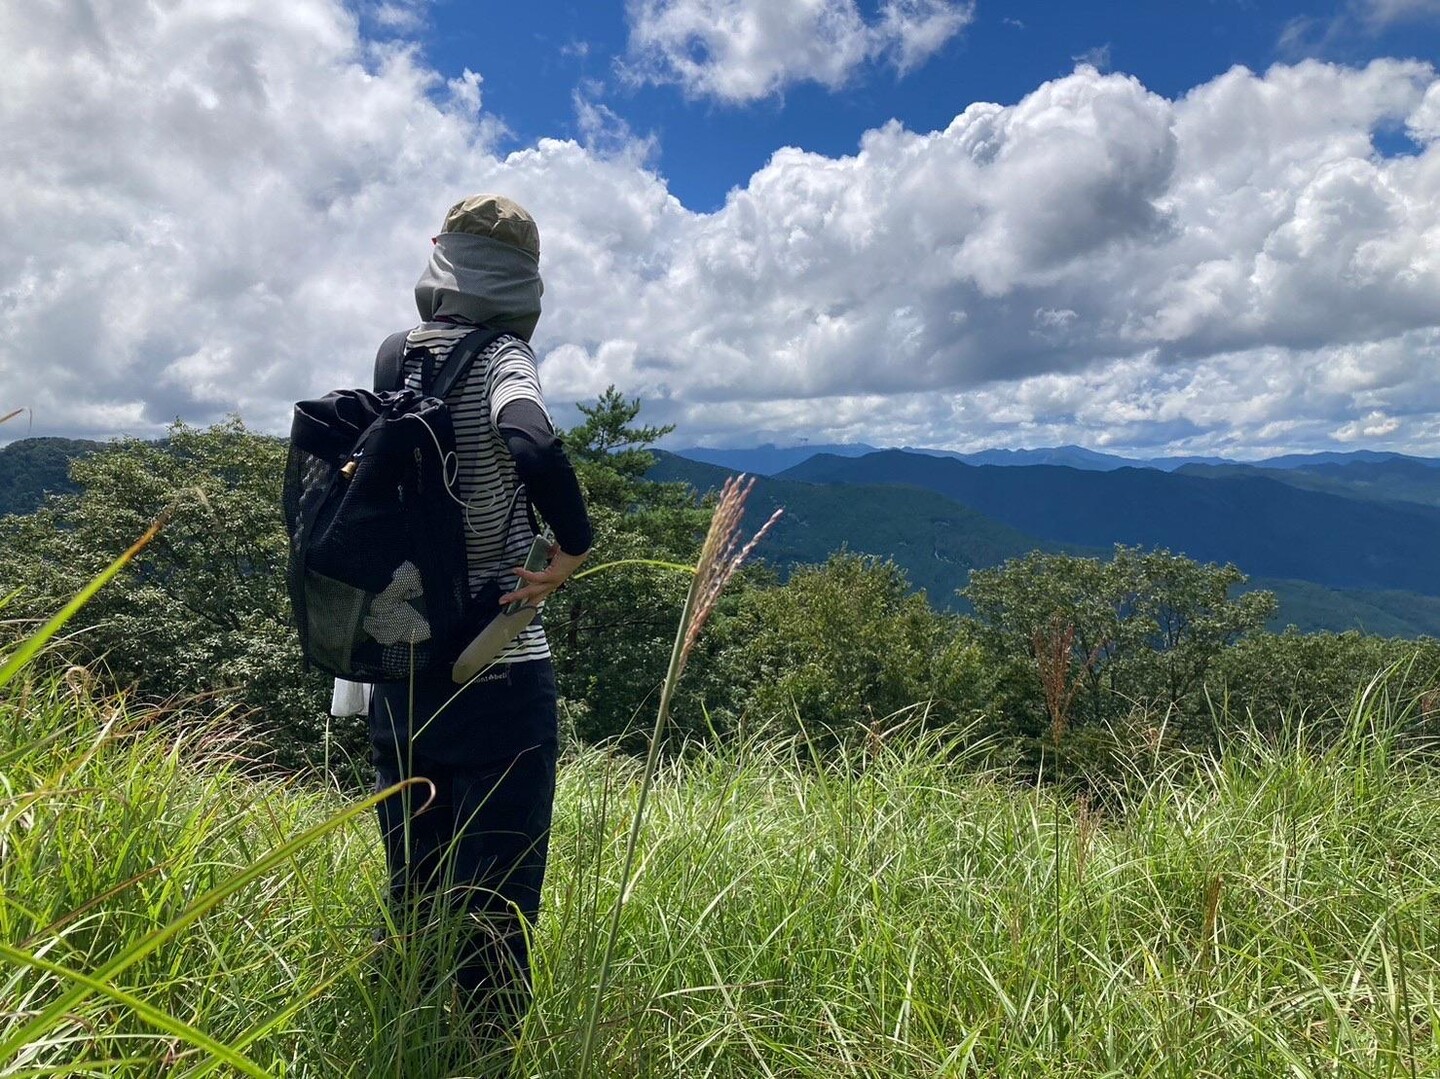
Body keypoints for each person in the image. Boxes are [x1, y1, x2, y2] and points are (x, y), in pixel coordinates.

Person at [366, 194, 591, 1044]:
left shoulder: (396, 357)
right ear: (524, 280)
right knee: (495, 908)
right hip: (499, 673)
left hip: (400, 672)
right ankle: (488, 1056)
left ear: (441, 259)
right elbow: (530, 438)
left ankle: (403, 1048)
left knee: (414, 899)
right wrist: (574, 546)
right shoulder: (503, 355)